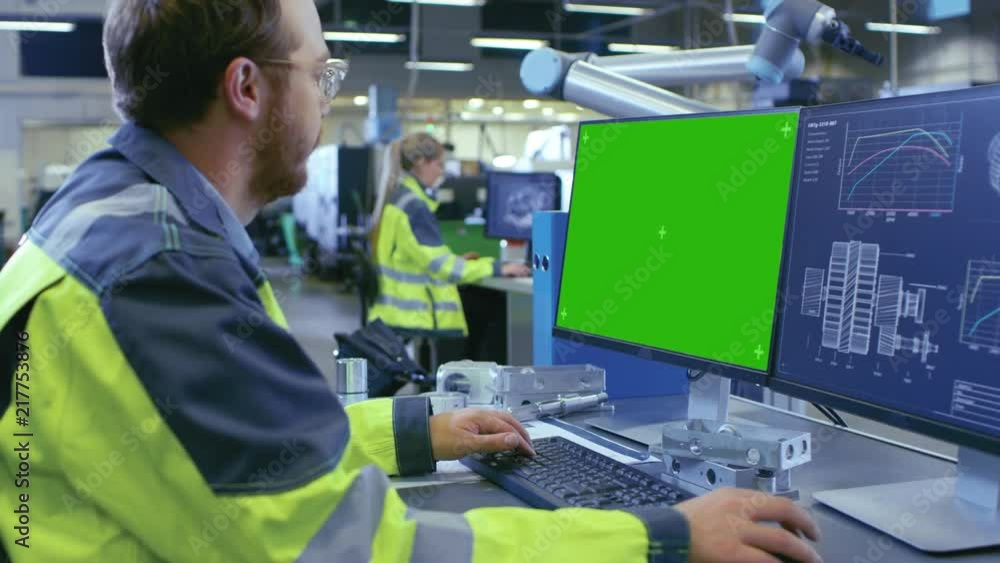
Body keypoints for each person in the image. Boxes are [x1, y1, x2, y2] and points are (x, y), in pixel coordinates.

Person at [0, 1, 823, 562]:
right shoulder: (164, 274)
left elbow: (221, 452)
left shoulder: (116, 212)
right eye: (319, 76)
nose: (326, 104)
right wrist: (660, 535)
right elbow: (368, 549)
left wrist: (413, 428)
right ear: (248, 87)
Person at [367, 133, 530, 338]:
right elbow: (443, 267)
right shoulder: (414, 207)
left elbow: (414, 257)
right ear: (420, 162)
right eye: (438, 165)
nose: (441, 173)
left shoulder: (400, 199)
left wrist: (459, 260)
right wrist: (498, 267)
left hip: (396, 314)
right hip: (414, 318)